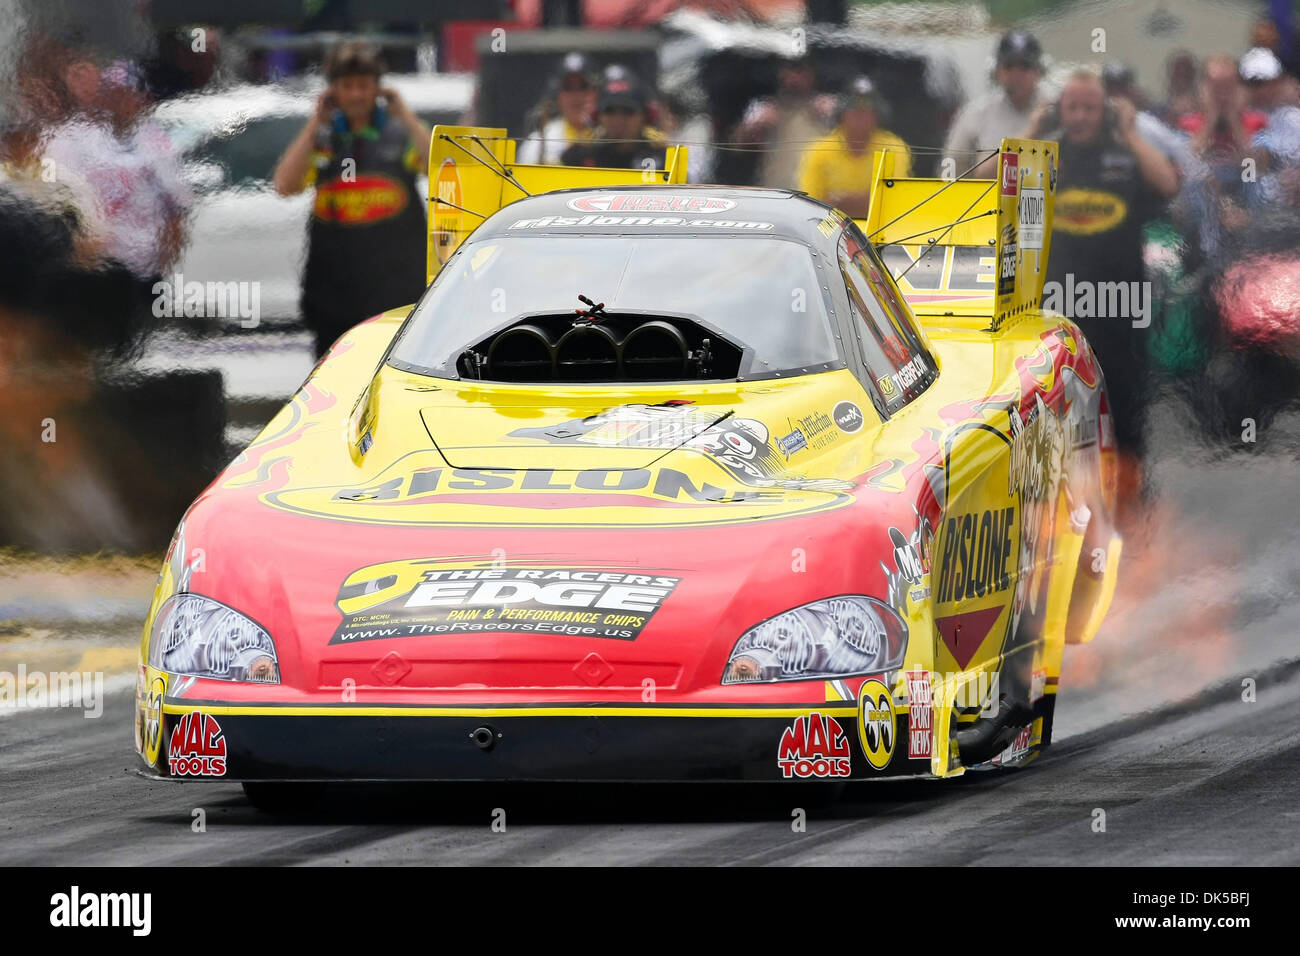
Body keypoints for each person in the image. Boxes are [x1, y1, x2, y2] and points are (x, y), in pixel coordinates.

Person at [1031, 70, 1179, 493]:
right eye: (1072, 107)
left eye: (1090, 108)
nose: (1080, 116)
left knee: (1127, 405)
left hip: (1121, 303)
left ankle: (1131, 497)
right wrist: (1034, 129)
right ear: (1061, 109)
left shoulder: (1125, 152)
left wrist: (1129, 132)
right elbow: (988, 182)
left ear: (1105, 111)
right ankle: (1068, 497)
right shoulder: (1046, 152)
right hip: (1060, 306)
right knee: (1060, 407)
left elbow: (1168, 182)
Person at [272, 40, 431, 358]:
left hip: (396, 298)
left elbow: (437, 167)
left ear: (378, 89)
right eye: (347, 86)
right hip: (333, 299)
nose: (356, 94)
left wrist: (405, 115)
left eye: (364, 85)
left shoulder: (401, 135)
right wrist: (316, 121)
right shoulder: (322, 139)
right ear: (334, 91)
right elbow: (285, 185)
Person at [797, 76, 910, 217]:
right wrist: (868, 199)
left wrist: (839, 201)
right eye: (854, 110)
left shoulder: (893, 148)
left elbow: (893, 201)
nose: (860, 116)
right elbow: (811, 204)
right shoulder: (819, 151)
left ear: (878, 116)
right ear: (841, 114)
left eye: (867, 111)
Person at [944, 30, 1049, 178]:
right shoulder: (976, 115)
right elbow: (954, 172)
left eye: (1025, 66)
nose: (1016, 74)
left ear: (1039, 70)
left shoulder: (1058, 109)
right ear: (997, 70)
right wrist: (1031, 133)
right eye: (1009, 66)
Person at [732, 54, 832, 189]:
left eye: (801, 72)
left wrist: (832, 117)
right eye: (791, 71)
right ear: (782, 74)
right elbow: (734, 147)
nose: (795, 78)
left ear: (811, 75)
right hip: (777, 192)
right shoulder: (763, 107)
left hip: (816, 193)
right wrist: (756, 126)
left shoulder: (826, 106)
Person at [560, 66, 667, 170]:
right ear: (597, 116)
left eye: (627, 111)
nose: (618, 120)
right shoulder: (577, 160)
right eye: (609, 111)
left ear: (646, 116)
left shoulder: (666, 161)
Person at [1240, 47, 1300, 205]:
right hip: (1251, 200)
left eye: (1263, 83)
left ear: (1277, 82)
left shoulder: (1292, 118)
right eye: (1252, 83)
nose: (1259, 90)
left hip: (1287, 207)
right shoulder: (1240, 117)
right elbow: (1247, 173)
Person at [516, 52, 597, 165]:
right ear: (558, 94)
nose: (576, 96)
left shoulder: (614, 137)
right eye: (568, 87)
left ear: (596, 91)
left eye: (583, 86)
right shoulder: (537, 143)